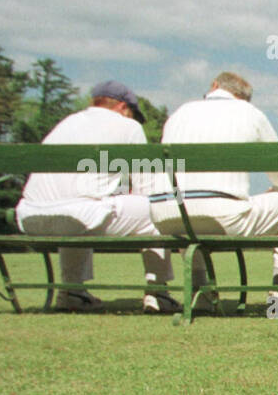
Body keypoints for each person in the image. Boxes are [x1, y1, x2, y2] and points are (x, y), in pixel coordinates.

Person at [148, 72, 278, 313]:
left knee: (187, 215)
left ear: (214, 86)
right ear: (245, 98)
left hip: (165, 214)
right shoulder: (250, 114)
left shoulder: (179, 113)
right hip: (222, 215)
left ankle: (201, 294)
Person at [15, 80, 177, 313]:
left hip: (31, 216)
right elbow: (148, 187)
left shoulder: (67, 123)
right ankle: (158, 292)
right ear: (122, 107)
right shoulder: (128, 126)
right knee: (158, 211)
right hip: (78, 215)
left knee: (78, 210)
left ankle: (71, 291)